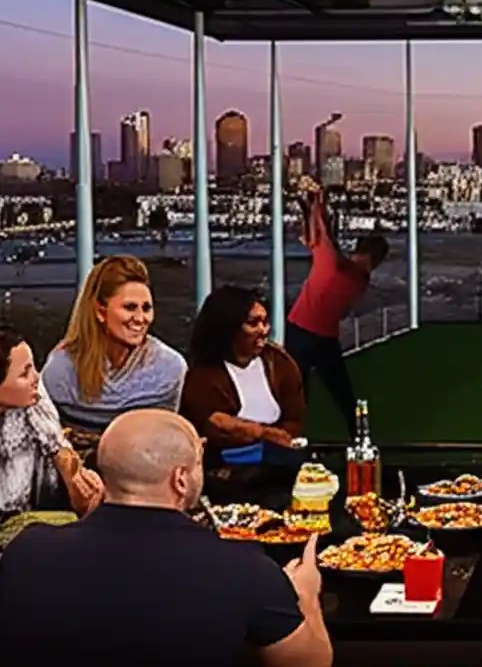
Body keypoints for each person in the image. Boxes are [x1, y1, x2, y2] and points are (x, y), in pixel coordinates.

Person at [0, 409, 333, 667]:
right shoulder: (244, 568)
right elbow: (311, 661)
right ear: (181, 480)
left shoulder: (25, 551)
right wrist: (306, 594)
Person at [41, 255, 187, 441]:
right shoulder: (61, 369)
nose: (141, 318)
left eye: (146, 308)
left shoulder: (169, 368)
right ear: (100, 312)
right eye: (130, 307)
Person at [285, 189, 387, 436]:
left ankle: (294, 444)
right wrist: (316, 207)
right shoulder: (360, 279)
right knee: (339, 392)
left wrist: (317, 205)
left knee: (300, 392)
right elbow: (330, 242)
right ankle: (358, 438)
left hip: (299, 332)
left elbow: (327, 240)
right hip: (323, 338)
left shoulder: (333, 264)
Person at [180, 285, 306, 468]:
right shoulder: (204, 375)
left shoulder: (280, 362)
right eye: (253, 323)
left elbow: (295, 418)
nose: (263, 330)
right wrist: (264, 434)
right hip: (223, 469)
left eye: (265, 322)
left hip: (279, 464)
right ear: (229, 329)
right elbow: (216, 426)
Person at [0, 324, 104, 525]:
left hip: (32, 509)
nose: (36, 378)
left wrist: (79, 480)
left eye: (33, 368)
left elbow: (56, 443)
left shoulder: (30, 395)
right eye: (24, 374)